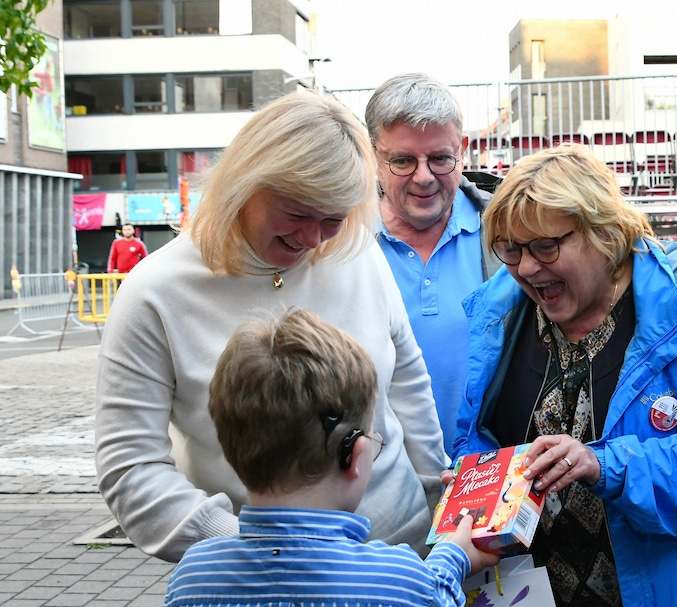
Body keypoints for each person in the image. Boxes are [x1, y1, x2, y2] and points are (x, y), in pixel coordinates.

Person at [94, 91, 446, 563]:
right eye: (298, 213)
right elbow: (130, 468)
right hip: (256, 576)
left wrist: (437, 500)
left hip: (403, 547)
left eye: (333, 219)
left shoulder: (359, 252)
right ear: (245, 181)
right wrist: (250, 549)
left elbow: (406, 382)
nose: (312, 239)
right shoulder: (153, 293)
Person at [453, 142, 677, 607]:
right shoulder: (500, 316)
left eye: (545, 246)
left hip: (663, 604)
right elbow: (476, 433)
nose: (525, 268)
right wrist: (475, 484)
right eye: (511, 250)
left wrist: (607, 465)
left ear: (604, 233)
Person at [160, 309, 498, 607]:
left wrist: (451, 559)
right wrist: (453, 556)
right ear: (354, 454)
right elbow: (424, 600)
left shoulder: (193, 577)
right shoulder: (404, 590)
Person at [365, 73, 498, 455]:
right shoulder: (339, 248)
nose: (423, 177)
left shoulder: (510, 235)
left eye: (440, 158)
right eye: (403, 161)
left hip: (495, 486)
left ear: (463, 150)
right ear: (374, 157)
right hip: (382, 488)